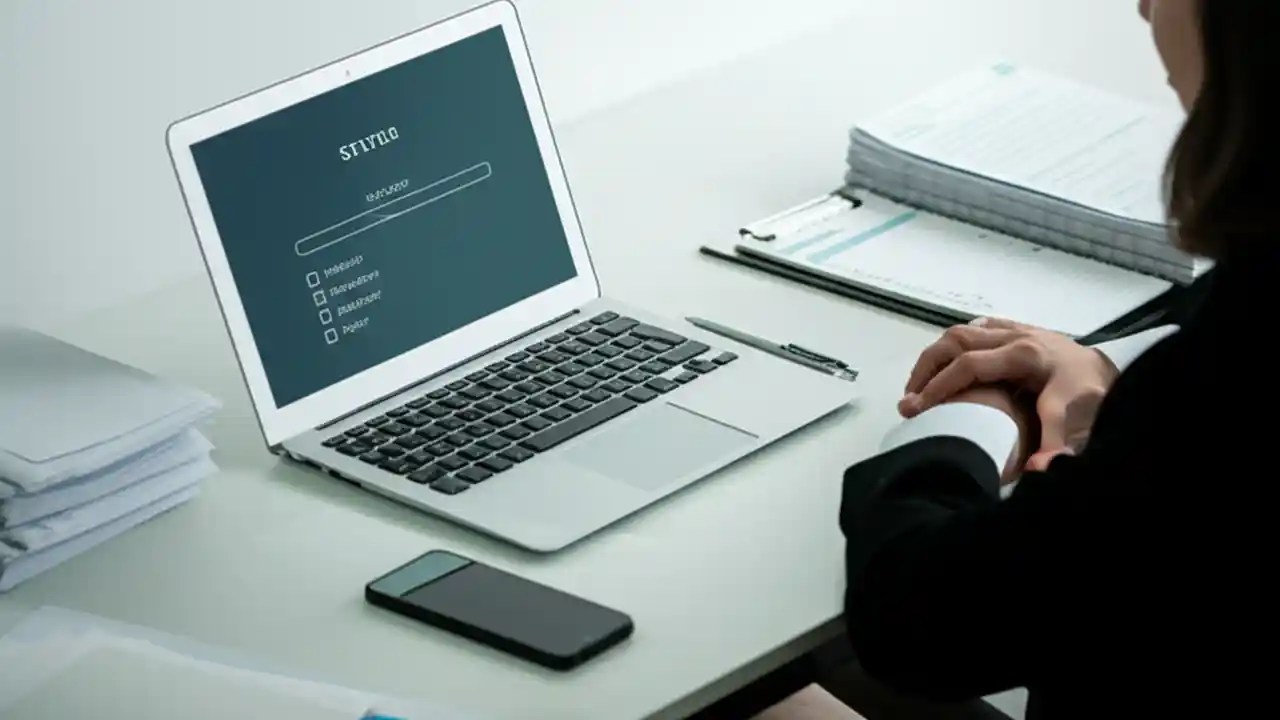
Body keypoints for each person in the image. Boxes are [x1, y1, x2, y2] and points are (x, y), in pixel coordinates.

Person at [831, 1, 1278, 718]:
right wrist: (1100, 366)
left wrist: (957, 428)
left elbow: (916, 623)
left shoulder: (1217, 398)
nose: (1142, 6)